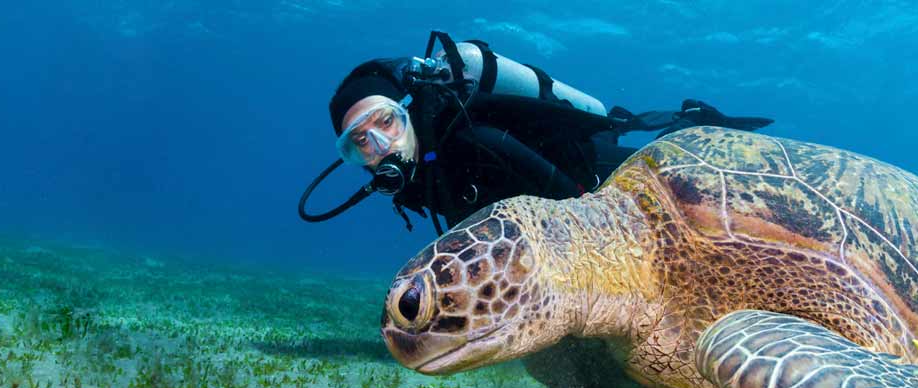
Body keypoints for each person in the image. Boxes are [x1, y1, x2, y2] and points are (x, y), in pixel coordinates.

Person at [299, 31, 773, 233]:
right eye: (359, 142)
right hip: (538, 191)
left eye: (387, 123)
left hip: (581, 173)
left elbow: (582, 205)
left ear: (408, 110)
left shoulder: (473, 141)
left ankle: (690, 123)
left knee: (673, 175)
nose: (380, 147)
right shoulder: (416, 175)